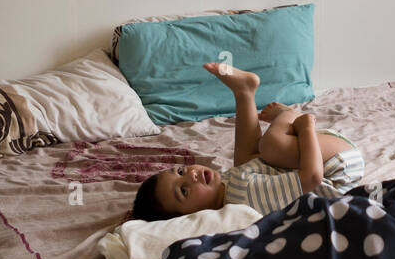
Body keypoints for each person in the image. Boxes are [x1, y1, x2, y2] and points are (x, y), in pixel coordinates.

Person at [131, 63, 364, 220]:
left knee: (245, 161)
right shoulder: (245, 196)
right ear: (192, 216)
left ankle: (244, 92)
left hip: (326, 157)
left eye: (181, 171)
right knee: (269, 148)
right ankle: (289, 115)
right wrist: (306, 128)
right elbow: (312, 178)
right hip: (339, 165)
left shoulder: (230, 189)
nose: (190, 176)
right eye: (184, 191)